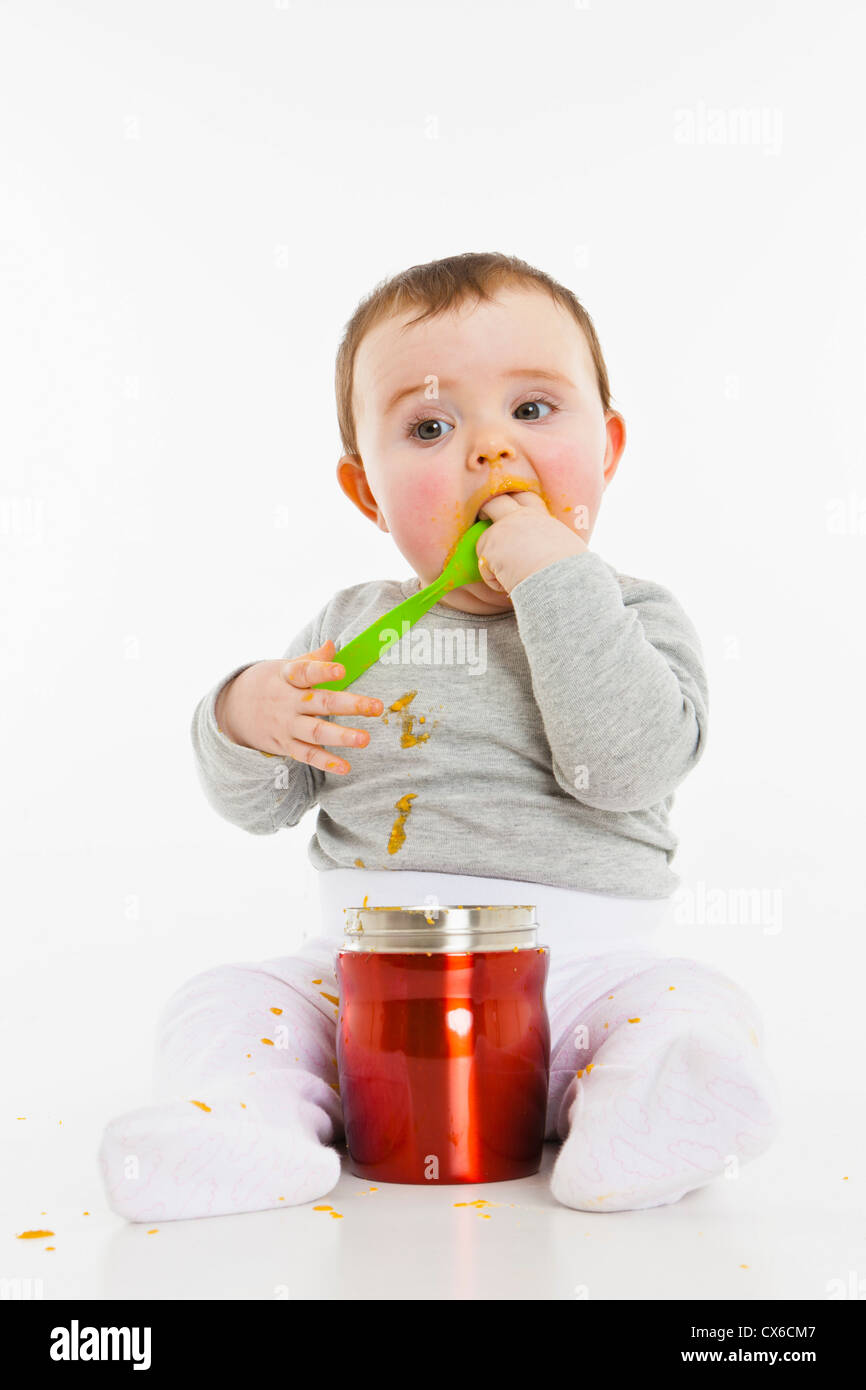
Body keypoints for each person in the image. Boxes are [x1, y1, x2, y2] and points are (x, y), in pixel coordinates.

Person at [98, 251, 781, 1221]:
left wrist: (555, 581)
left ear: (609, 448)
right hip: (364, 986)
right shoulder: (350, 626)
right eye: (429, 426)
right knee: (225, 999)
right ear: (366, 492)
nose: (491, 453)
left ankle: (643, 1118)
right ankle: (245, 1129)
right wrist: (246, 714)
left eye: (533, 411)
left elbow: (619, 769)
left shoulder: (632, 614)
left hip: (580, 983)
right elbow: (263, 805)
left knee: (688, 1002)